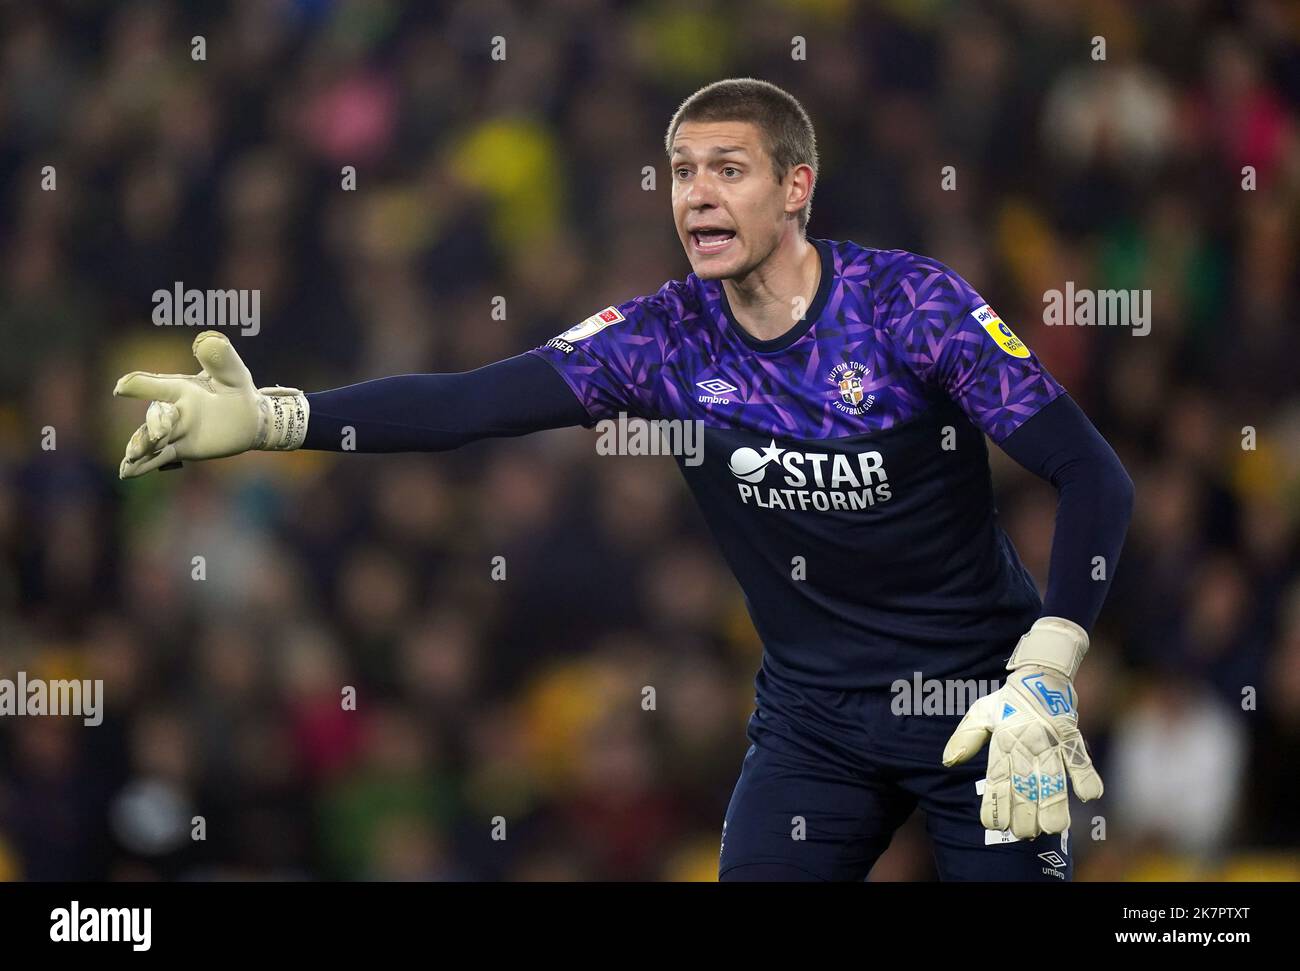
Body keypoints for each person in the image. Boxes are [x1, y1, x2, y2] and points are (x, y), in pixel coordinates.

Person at [114, 77, 1134, 881]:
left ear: (794, 188)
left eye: (726, 168)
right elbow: (469, 404)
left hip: (982, 701)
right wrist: (274, 417)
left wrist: (1046, 664)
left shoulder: (910, 308)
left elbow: (1092, 475)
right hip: (814, 719)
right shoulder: (662, 340)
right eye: (681, 171)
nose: (694, 193)